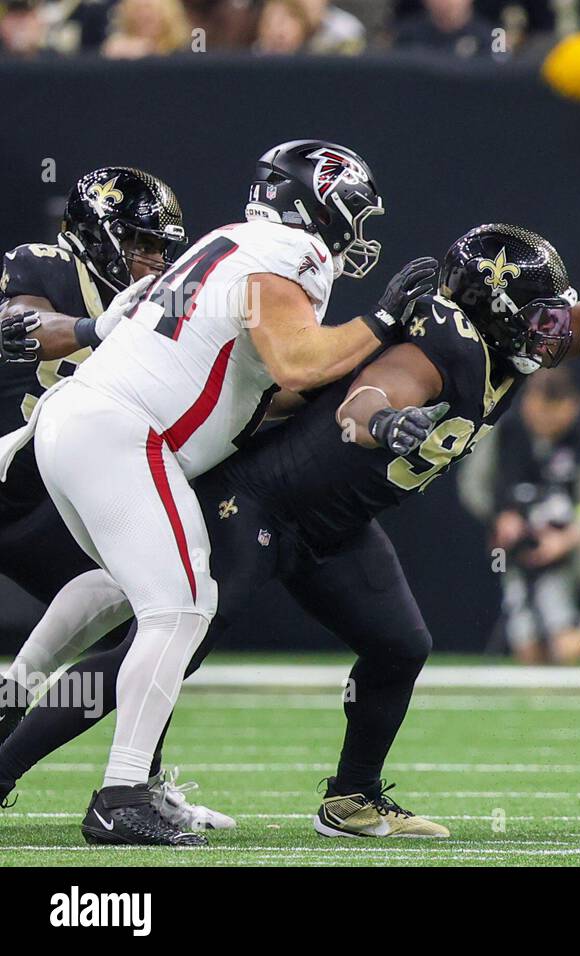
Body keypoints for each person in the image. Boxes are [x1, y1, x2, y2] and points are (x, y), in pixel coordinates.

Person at [0, 224, 575, 839]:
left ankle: (352, 798)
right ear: (494, 307)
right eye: (541, 321)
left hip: (336, 524)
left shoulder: (502, 359)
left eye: (555, 321)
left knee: (400, 645)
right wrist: (383, 422)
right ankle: (11, 764)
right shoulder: (445, 344)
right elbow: (366, 400)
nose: (554, 337)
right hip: (255, 510)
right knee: (168, 635)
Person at [0, 139, 426, 847]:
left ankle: (13, 693)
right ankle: (122, 794)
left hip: (82, 427)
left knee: (119, 585)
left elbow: (274, 381)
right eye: (352, 211)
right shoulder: (287, 254)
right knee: (183, 605)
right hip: (122, 433)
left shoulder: (229, 242)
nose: (356, 230)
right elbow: (298, 358)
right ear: (318, 203)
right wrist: (381, 322)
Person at [0, 167, 229, 829]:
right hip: (19, 472)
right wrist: (92, 330)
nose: (154, 259)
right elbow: (19, 322)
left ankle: (125, 777)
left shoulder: (158, 297)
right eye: (140, 241)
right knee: (168, 610)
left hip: (50, 494)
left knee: (156, 615)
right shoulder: (42, 262)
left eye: (162, 247)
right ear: (96, 233)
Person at [456, 367, 580, 664]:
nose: (546, 422)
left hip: (576, 548)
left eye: (555, 414)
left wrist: (567, 538)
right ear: (527, 402)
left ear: (572, 405)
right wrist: (500, 517)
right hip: (525, 552)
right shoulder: (503, 430)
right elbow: (473, 486)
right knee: (536, 663)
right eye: (539, 412)